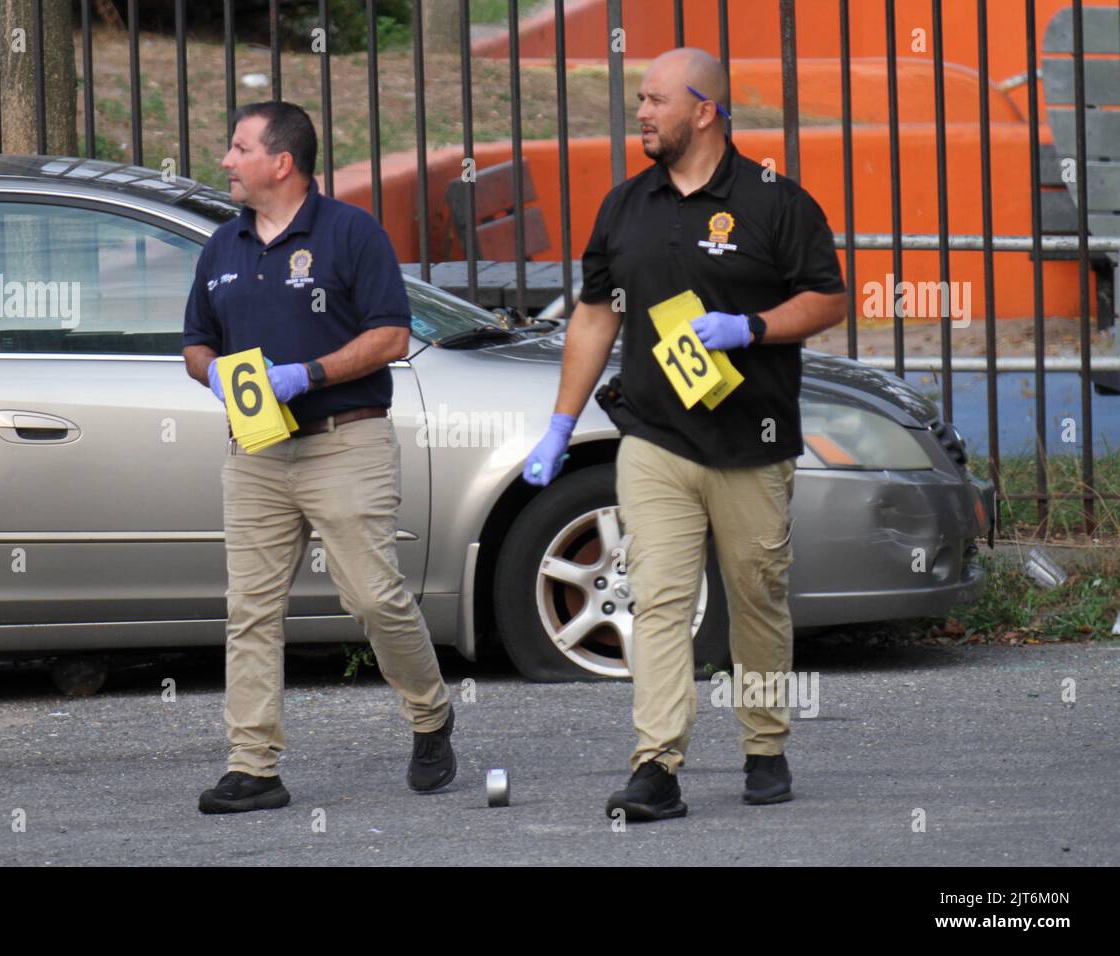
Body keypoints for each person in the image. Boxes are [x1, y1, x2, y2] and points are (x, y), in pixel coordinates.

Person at [523, 48, 846, 821]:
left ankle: (764, 744)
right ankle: (656, 766)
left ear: (704, 110)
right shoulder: (626, 204)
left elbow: (827, 299)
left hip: (752, 442)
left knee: (757, 597)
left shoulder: (776, 202)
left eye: (655, 100)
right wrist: (560, 423)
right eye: (640, 99)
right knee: (659, 600)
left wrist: (753, 326)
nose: (641, 113)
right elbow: (597, 313)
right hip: (655, 436)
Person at [183, 101, 455, 814]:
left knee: (372, 596)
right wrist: (209, 370)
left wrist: (311, 374)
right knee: (250, 611)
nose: (226, 162)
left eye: (237, 148)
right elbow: (195, 342)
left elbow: (392, 336)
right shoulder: (223, 246)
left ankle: (430, 715)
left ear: (281, 162)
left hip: (347, 441)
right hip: (257, 451)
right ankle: (254, 766)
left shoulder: (351, 234)